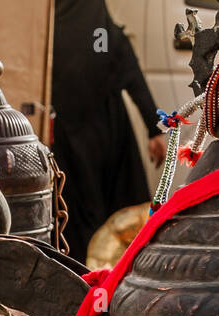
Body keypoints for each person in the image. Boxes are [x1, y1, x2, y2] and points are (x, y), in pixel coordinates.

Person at [51, 0, 166, 265]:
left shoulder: (49, 31)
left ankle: (83, 280)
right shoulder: (103, 30)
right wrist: (154, 130)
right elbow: (133, 76)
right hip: (109, 132)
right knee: (115, 208)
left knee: (74, 214)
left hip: (67, 139)